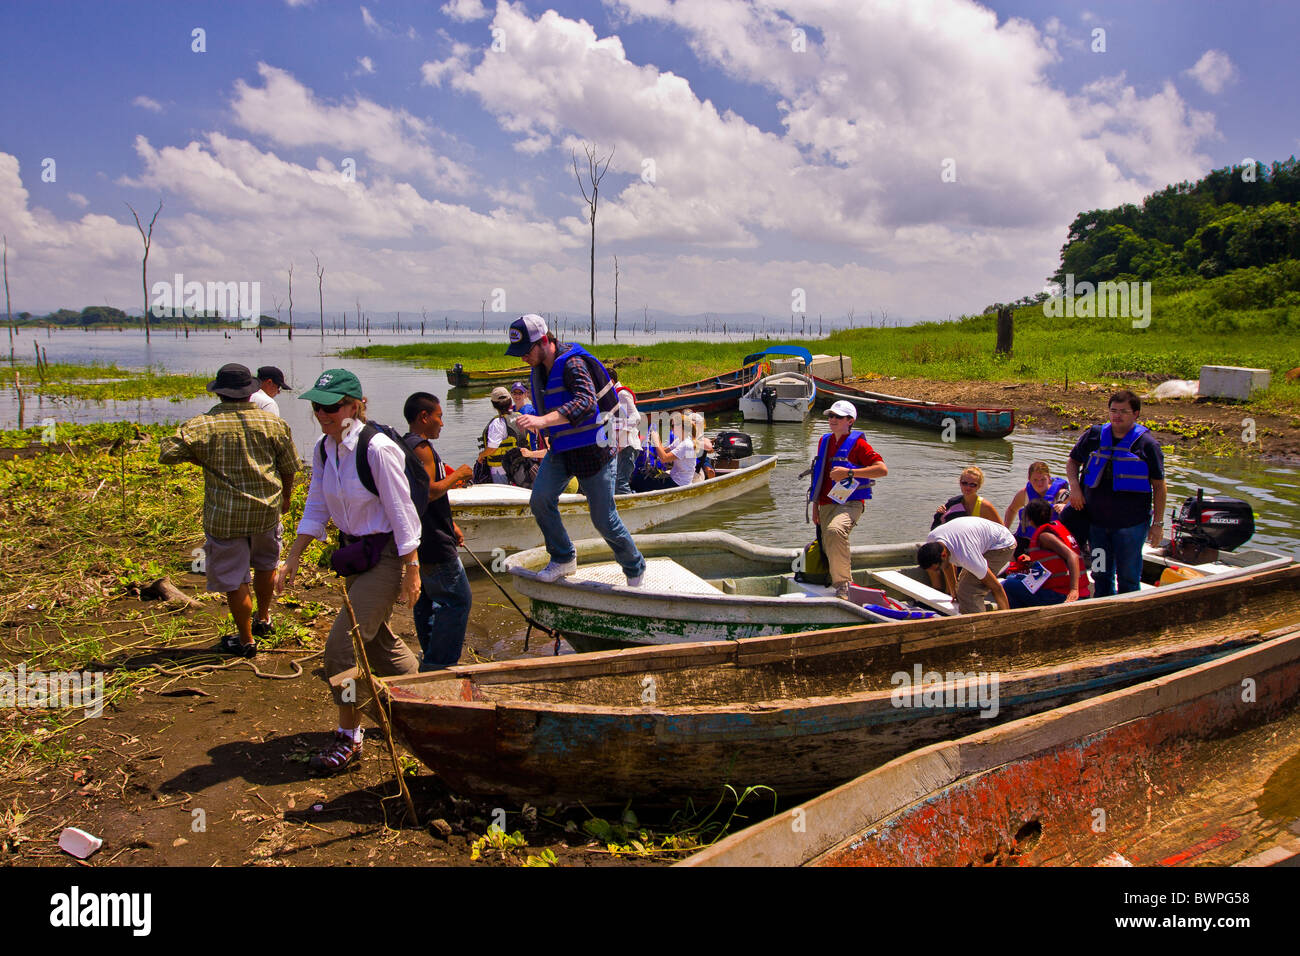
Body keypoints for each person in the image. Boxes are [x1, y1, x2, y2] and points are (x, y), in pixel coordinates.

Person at [275, 369, 423, 775]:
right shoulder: (325, 449)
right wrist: (292, 556)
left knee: (341, 649)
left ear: (355, 405)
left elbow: (401, 509)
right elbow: (316, 506)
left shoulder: (376, 449)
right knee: (377, 645)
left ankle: (350, 736)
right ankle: (424, 698)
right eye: (317, 406)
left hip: (389, 555)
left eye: (333, 406)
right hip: (356, 554)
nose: (323, 413)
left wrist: (412, 568)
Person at [159, 363, 298, 656]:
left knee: (235, 580)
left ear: (220, 394)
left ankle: (246, 640)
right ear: (250, 393)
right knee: (264, 565)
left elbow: (168, 452)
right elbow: (289, 467)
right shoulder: (272, 423)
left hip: (225, 514)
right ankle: (264, 618)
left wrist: (203, 458)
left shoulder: (203, 425)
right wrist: (286, 498)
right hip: (266, 510)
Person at [506, 313, 647, 585]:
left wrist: (542, 420)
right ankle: (562, 557)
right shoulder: (539, 369)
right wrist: (533, 420)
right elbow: (552, 405)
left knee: (604, 520)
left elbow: (585, 402)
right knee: (540, 500)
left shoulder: (572, 363)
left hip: (594, 452)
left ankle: (635, 568)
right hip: (562, 451)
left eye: (526, 351)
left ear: (544, 341)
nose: (522, 357)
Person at [1066, 389, 1166, 597]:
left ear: (1136, 414)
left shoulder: (1147, 445)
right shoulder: (1094, 435)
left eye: (1123, 411)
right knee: (1101, 573)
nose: (1117, 416)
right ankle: (1102, 608)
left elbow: (1159, 486)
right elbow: (1073, 462)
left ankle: (1129, 616)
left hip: (1130, 526)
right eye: (1113, 411)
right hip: (1097, 526)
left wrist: (1157, 524)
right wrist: (1075, 488)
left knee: (1128, 576)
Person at [402, 392, 475, 671]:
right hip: (433, 541)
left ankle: (431, 655)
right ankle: (439, 664)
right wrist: (458, 475)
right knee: (457, 600)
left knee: (428, 600)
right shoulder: (421, 447)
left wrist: (450, 523)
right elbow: (430, 492)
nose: (441, 423)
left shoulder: (404, 443)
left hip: (421, 535)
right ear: (424, 417)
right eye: (439, 416)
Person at [808, 400, 888, 601]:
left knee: (836, 531)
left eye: (838, 417)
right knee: (827, 542)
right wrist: (815, 505)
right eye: (831, 416)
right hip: (826, 502)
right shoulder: (824, 441)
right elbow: (820, 476)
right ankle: (829, 578)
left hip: (851, 503)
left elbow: (882, 469)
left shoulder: (860, 444)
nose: (832, 420)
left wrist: (849, 472)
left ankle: (844, 585)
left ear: (850, 421)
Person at [917, 515, 1016, 613]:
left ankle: (979, 625)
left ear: (943, 555)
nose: (937, 572)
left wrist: (1006, 618)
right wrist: (953, 591)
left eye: (937, 569)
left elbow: (996, 587)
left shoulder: (967, 556)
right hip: (980, 538)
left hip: (1002, 544)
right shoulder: (932, 540)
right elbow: (946, 565)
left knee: (968, 591)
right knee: (960, 590)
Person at [1002, 499, 1091, 608]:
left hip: (1062, 594)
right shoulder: (1057, 529)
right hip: (1075, 591)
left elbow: (1072, 556)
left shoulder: (1045, 536)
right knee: (1014, 578)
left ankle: (1019, 618)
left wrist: (1074, 590)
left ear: (1030, 520)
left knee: (1008, 585)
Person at [1003, 460, 1070, 552]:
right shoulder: (1024, 494)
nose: (1039, 484)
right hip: (1026, 539)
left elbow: (1076, 508)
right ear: (1029, 479)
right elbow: (1012, 509)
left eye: (1043, 479)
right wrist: (1005, 530)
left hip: (1052, 541)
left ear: (1049, 479)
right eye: (1035, 480)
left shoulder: (1061, 494)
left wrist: (1064, 506)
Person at [638, 410, 706, 491]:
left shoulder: (686, 444)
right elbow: (663, 451)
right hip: (674, 478)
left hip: (678, 483)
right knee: (643, 478)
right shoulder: (679, 440)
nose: (672, 428)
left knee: (640, 482)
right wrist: (656, 440)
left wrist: (656, 441)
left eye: (673, 426)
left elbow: (664, 458)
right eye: (671, 426)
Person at [477, 386, 529, 484]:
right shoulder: (519, 416)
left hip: (501, 468)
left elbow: (492, 447)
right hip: (520, 464)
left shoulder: (497, 423)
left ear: (493, 405)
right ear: (510, 401)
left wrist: (481, 455)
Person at [608, 369, 642, 495]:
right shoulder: (614, 395)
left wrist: (622, 437)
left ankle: (632, 511)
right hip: (622, 446)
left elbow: (636, 417)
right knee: (616, 481)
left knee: (620, 482)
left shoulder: (622, 394)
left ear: (611, 381)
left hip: (627, 445)